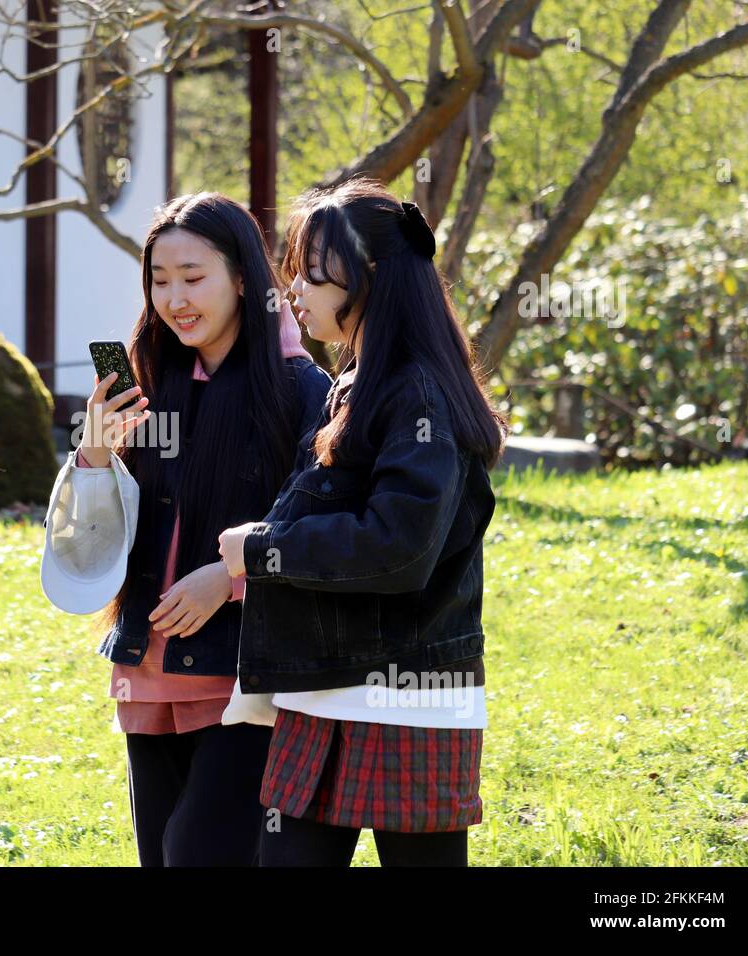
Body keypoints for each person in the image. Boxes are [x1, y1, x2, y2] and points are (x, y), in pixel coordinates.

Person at [217, 178, 507, 867]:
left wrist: (265, 550)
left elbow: (399, 546)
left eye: (315, 276)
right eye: (295, 274)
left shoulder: (416, 389)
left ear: (371, 278)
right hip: (329, 682)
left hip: (408, 695)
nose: (296, 292)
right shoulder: (359, 382)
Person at [69, 192, 332, 865]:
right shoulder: (142, 381)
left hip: (246, 676)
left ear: (243, 277)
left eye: (194, 277)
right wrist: (94, 453)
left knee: (197, 851)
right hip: (148, 668)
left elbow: (317, 521)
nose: (175, 298)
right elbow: (93, 535)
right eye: (160, 281)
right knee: (162, 854)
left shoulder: (302, 389)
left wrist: (231, 578)